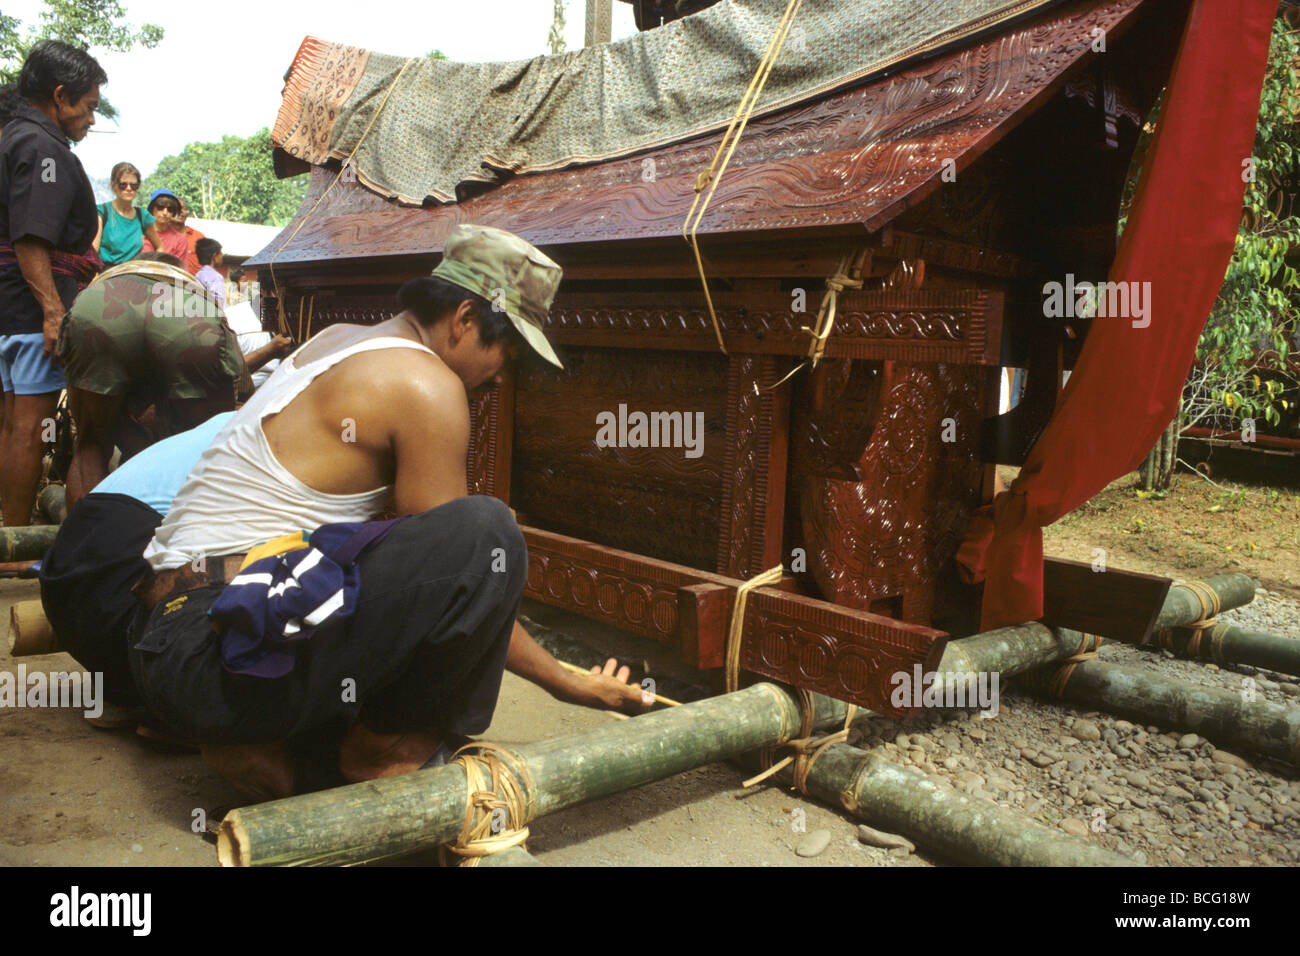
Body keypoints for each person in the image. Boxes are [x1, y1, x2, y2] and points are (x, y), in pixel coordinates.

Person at [127, 224, 649, 799]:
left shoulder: (339, 339)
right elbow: (467, 570)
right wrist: (566, 682)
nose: (503, 379)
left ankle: (281, 755)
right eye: (509, 353)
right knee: (489, 536)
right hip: (212, 654)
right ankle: (380, 757)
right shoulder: (425, 383)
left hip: (165, 641)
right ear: (467, 319)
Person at [0, 41, 106, 527]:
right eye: (87, 107)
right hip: (29, 308)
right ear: (61, 97)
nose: (90, 119)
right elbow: (30, 233)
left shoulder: (11, 136)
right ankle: (16, 541)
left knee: (10, 424)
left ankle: (8, 526)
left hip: (11, 307)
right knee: (31, 429)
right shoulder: (43, 148)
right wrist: (52, 311)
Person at [57, 252, 245, 508]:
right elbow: (239, 382)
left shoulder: (116, 274)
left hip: (102, 304)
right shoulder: (189, 284)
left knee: (90, 447)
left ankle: (84, 543)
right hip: (185, 313)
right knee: (208, 446)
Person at [94, 162, 165, 265]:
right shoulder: (102, 212)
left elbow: (160, 247)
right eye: (123, 185)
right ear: (113, 185)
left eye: (134, 185)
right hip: (106, 273)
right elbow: (93, 252)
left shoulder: (142, 216)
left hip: (131, 274)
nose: (129, 189)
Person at [223, 290, 293, 391]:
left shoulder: (298, 314)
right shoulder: (232, 319)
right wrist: (269, 351)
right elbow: (224, 373)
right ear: (264, 291)